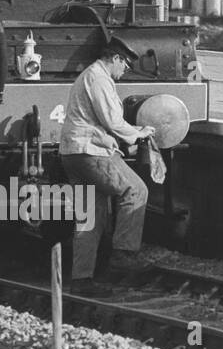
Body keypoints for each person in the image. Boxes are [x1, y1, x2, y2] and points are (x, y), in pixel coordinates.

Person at [58, 36, 157, 295]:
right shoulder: (99, 78)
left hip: (73, 153)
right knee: (135, 190)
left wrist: (131, 132)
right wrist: (139, 133)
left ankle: (81, 281)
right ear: (114, 58)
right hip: (91, 152)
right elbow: (112, 121)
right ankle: (123, 255)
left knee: (90, 218)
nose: (125, 71)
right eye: (124, 65)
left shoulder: (91, 76)